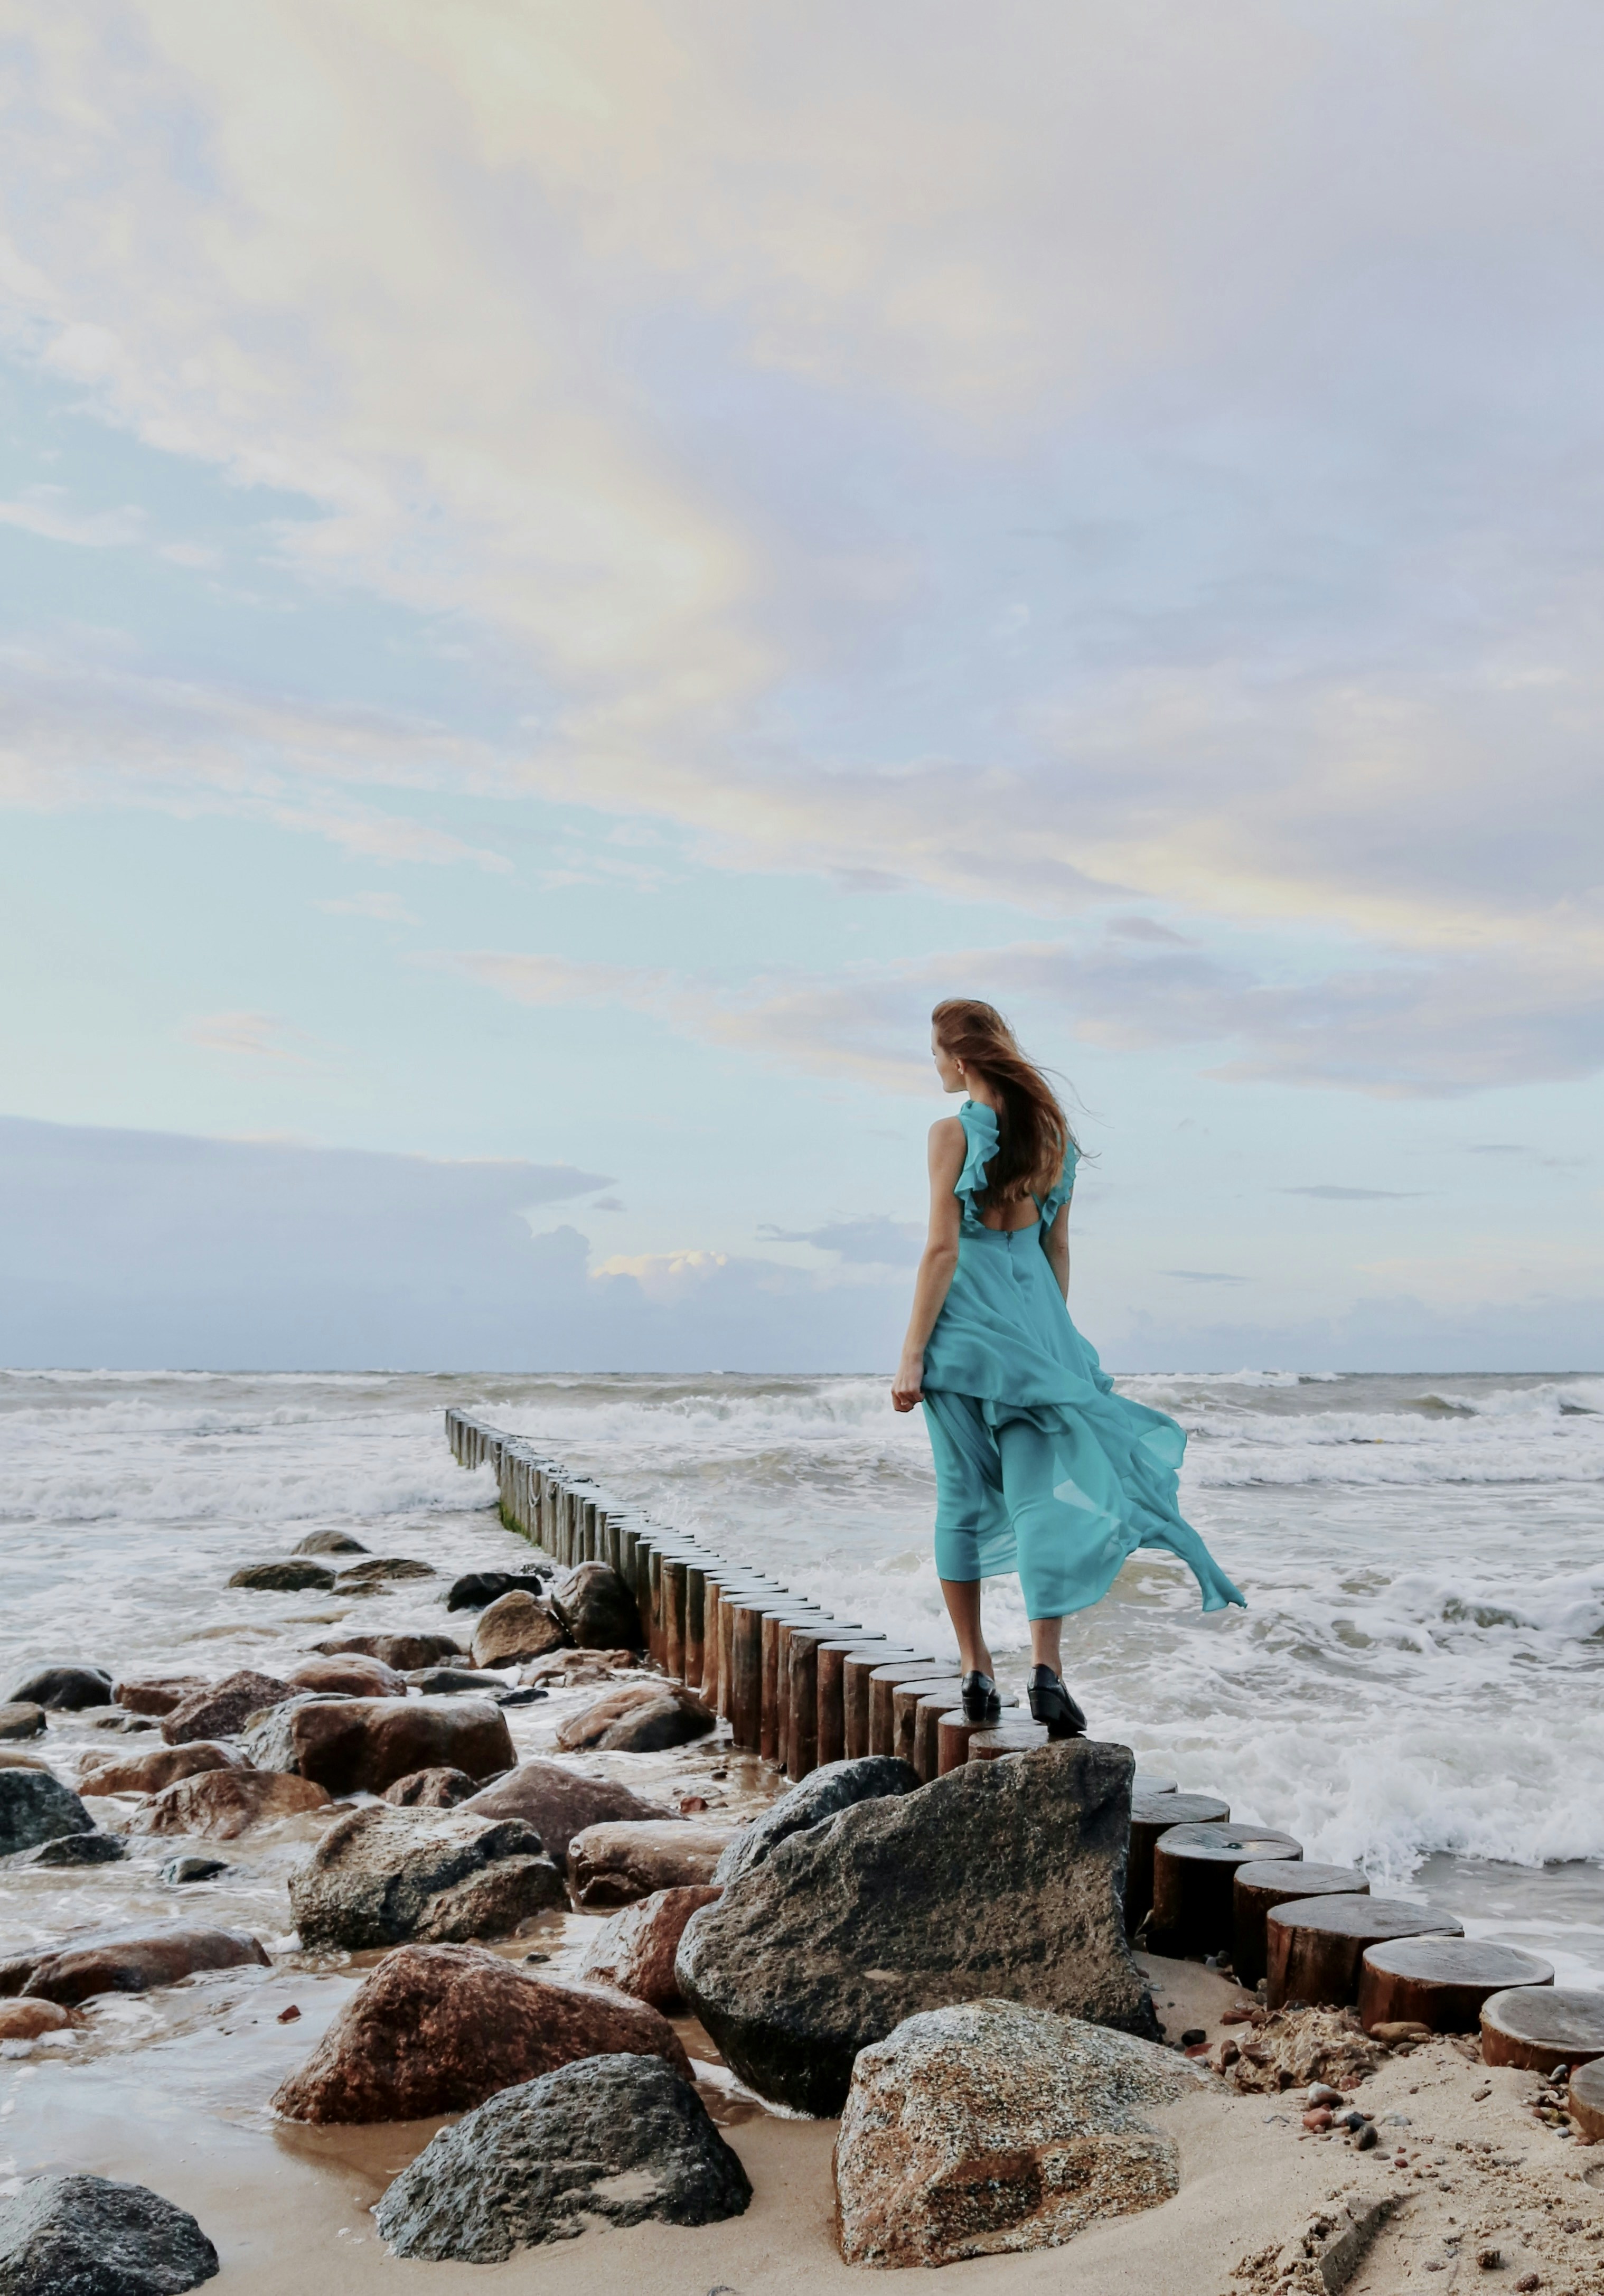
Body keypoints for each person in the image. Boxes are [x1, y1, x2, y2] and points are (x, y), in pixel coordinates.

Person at [891, 998, 1245, 1737]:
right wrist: (1055, 1340)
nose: (933, 1067)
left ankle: (975, 1669)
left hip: (963, 1342)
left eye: (934, 1054)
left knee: (959, 1501)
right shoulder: (1053, 1140)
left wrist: (911, 1354)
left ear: (959, 1061)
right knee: (1036, 1502)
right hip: (1040, 1341)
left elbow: (943, 1251)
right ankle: (1047, 1672)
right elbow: (1055, 1250)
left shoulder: (950, 1133)